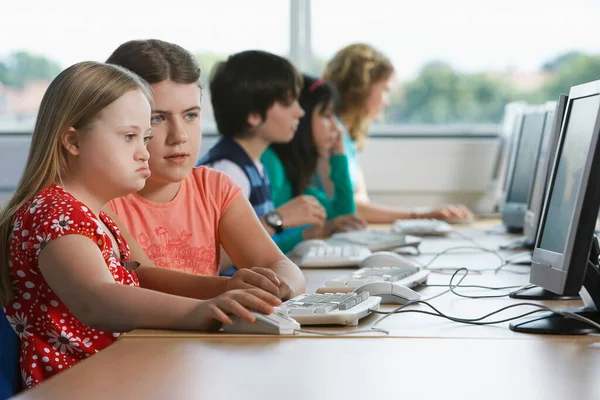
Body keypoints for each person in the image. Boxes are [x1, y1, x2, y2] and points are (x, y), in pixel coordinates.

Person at [0, 61, 281, 389]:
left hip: (116, 374)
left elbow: (132, 283)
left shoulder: (94, 214)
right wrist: (199, 311)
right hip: (79, 387)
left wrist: (225, 291)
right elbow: (97, 298)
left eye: (145, 137)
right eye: (129, 137)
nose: (144, 152)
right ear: (73, 142)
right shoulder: (55, 215)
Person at [105, 40, 305, 294]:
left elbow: (280, 266)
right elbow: (145, 281)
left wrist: (278, 289)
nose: (179, 136)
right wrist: (232, 288)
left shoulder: (215, 189)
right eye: (157, 118)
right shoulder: (101, 198)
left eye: (190, 115)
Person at [198, 50, 361, 254]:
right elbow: (212, 257)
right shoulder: (228, 171)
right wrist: (278, 220)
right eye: (287, 102)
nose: (300, 112)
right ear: (254, 115)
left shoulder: (254, 164)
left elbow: (262, 249)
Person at [323, 43, 474, 224]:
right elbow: (349, 208)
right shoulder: (327, 135)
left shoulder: (347, 138)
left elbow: (361, 201)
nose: (386, 102)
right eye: (384, 90)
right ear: (362, 88)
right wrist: (420, 215)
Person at [262, 75, 365, 232]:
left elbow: (345, 216)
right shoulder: (270, 163)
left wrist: (339, 155)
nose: (337, 128)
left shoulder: (295, 174)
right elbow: (260, 240)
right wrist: (313, 234)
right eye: (326, 115)